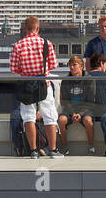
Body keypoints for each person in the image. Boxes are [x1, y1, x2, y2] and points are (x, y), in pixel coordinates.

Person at [9, 15, 59, 159]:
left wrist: (25, 72)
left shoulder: (18, 45)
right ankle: (53, 150)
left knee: (28, 117)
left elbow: (13, 68)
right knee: (50, 116)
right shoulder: (46, 43)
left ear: (25, 29)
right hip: (44, 83)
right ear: (37, 28)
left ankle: (33, 151)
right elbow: (54, 64)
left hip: (26, 84)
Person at [57, 55, 98, 153]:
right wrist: (73, 113)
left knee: (88, 121)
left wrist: (80, 113)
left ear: (82, 66)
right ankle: (64, 146)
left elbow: (91, 101)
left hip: (85, 110)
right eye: (70, 65)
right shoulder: (66, 80)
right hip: (70, 110)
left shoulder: (89, 79)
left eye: (74, 65)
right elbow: (65, 101)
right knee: (61, 120)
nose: (72, 67)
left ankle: (91, 146)